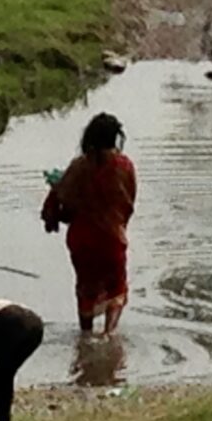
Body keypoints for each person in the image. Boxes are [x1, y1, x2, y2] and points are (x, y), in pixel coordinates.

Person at [43, 113, 137, 335]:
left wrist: (54, 214)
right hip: (111, 238)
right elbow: (128, 201)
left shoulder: (78, 167)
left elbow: (62, 197)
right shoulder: (124, 167)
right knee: (117, 288)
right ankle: (109, 334)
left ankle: (86, 335)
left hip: (81, 240)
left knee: (85, 288)